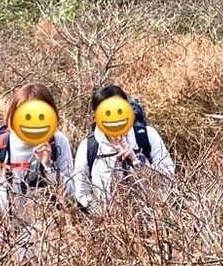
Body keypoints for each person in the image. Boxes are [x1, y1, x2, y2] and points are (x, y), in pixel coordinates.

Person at [0, 82, 77, 244]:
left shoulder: (58, 143)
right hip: (0, 237)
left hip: (46, 237)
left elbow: (71, 194)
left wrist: (49, 166)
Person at [75, 83, 174, 212]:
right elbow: (82, 192)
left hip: (153, 220)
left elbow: (168, 179)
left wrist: (137, 160)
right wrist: (105, 215)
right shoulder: (88, 147)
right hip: (109, 227)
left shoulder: (147, 136)